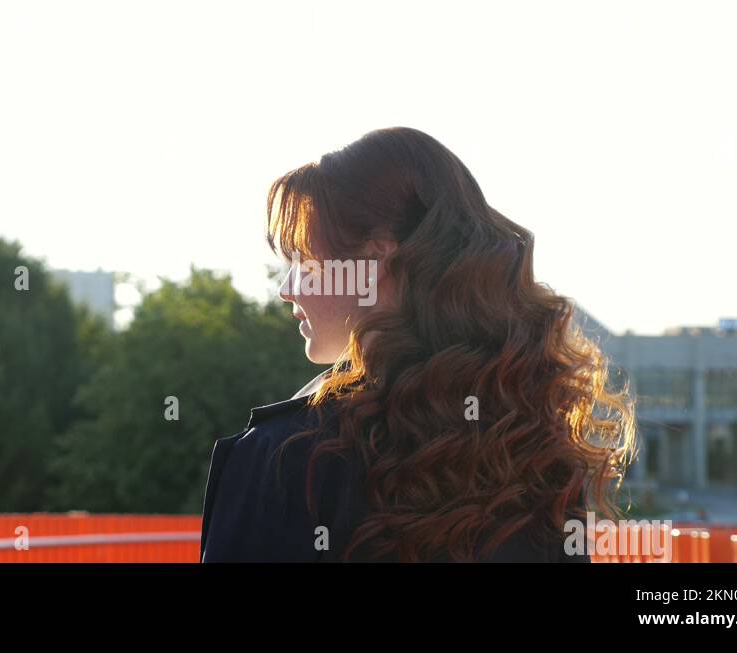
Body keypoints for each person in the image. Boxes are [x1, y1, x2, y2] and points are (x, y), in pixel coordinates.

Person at [200, 127, 636, 562]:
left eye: (301, 260)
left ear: (374, 263)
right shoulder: (535, 449)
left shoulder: (284, 457)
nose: (287, 289)